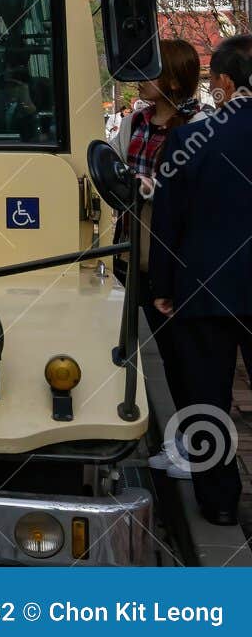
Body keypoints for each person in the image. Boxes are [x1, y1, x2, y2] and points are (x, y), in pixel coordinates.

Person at [149, 34, 252, 525]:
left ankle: (220, 501)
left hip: (205, 287)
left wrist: (164, 288)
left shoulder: (191, 139)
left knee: (206, 398)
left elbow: (168, 223)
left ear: (228, 83)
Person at [111, 38, 211, 479]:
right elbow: (109, 165)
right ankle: (179, 441)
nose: (141, 78)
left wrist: (153, 191)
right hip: (133, 251)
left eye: (151, 70)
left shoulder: (199, 126)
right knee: (141, 350)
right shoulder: (136, 121)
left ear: (172, 77)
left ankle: (195, 447)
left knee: (187, 356)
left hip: (174, 259)